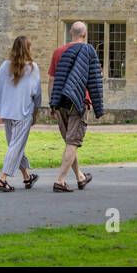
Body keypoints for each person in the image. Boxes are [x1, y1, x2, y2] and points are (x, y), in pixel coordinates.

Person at [47, 21, 105, 192]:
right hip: (79, 102)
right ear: (84, 35)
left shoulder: (58, 52)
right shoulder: (88, 52)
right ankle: (60, 181)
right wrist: (98, 105)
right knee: (73, 142)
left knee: (70, 142)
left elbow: (51, 80)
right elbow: (95, 79)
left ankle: (80, 177)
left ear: (70, 33)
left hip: (60, 101)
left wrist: (52, 103)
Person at [0, 35, 41, 192]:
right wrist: (35, 113)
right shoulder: (32, 68)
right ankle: (2, 179)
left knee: (15, 146)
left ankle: (27, 177)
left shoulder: (4, 66)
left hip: (7, 111)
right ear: (28, 49)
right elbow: (37, 94)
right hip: (23, 112)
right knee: (15, 146)